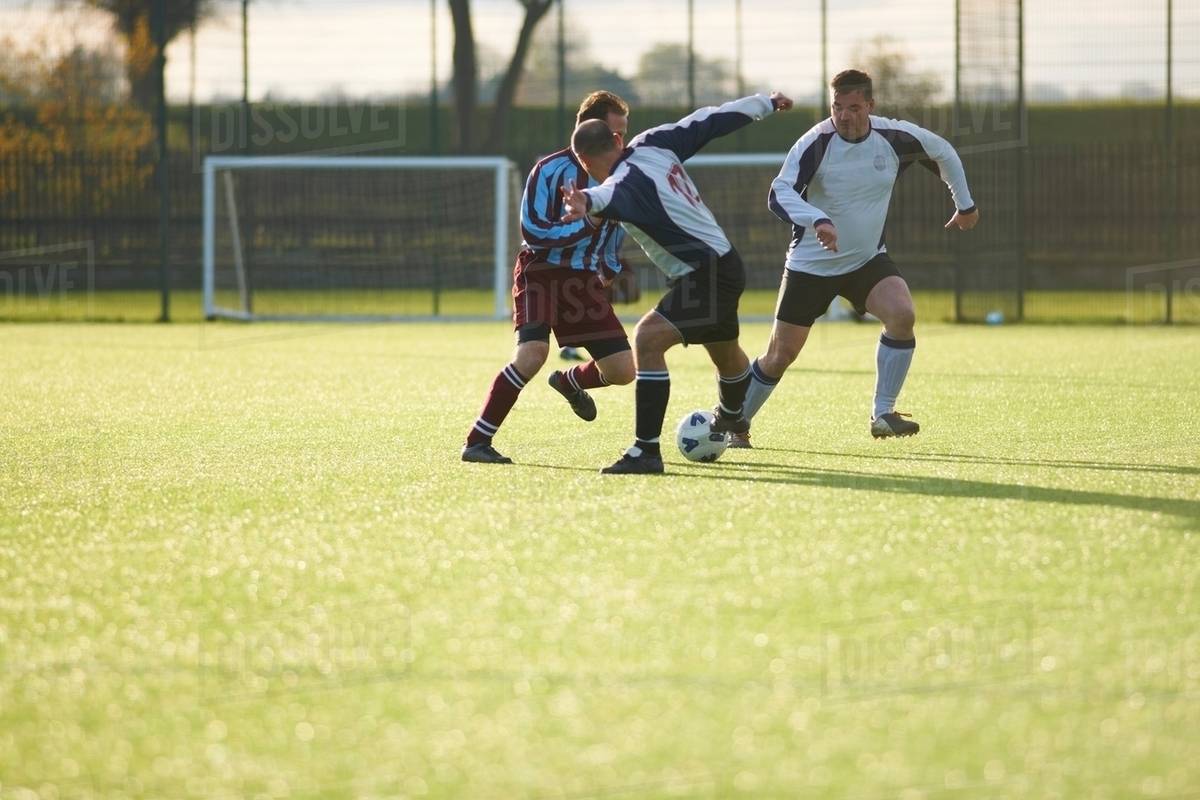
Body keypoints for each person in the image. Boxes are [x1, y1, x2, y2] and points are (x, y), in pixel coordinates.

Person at [733, 69, 980, 447]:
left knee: (902, 315)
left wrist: (965, 205)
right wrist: (817, 219)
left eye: (852, 107)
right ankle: (734, 423)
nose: (844, 116)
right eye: (837, 107)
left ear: (870, 105)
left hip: (866, 261)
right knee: (780, 355)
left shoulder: (894, 137)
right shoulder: (815, 143)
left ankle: (883, 414)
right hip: (811, 267)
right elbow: (778, 193)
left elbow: (943, 152)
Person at [562, 91, 795, 474]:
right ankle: (734, 415)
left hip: (705, 274)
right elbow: (710, 119)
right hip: (725, 265)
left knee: (647, 339)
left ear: (585, 162)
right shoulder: (654, 142)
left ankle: (645, 452)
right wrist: (765, 102)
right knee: (725, 352)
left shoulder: (621, 183)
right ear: (618, 140)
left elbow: (605, 195)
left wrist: (583, 201)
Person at [462, 91, 636, 464]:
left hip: (583, 281)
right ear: (591, 129)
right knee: (532, 354)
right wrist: (587, 223)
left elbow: (615, 232)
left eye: (624, 133)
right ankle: (477, 442)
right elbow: (534, 232)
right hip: (541, 272)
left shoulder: (622, 176)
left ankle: (570, 381)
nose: (622, 141)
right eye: (616, 132)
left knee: (623, 371)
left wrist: (609, 272)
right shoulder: (550, 170)